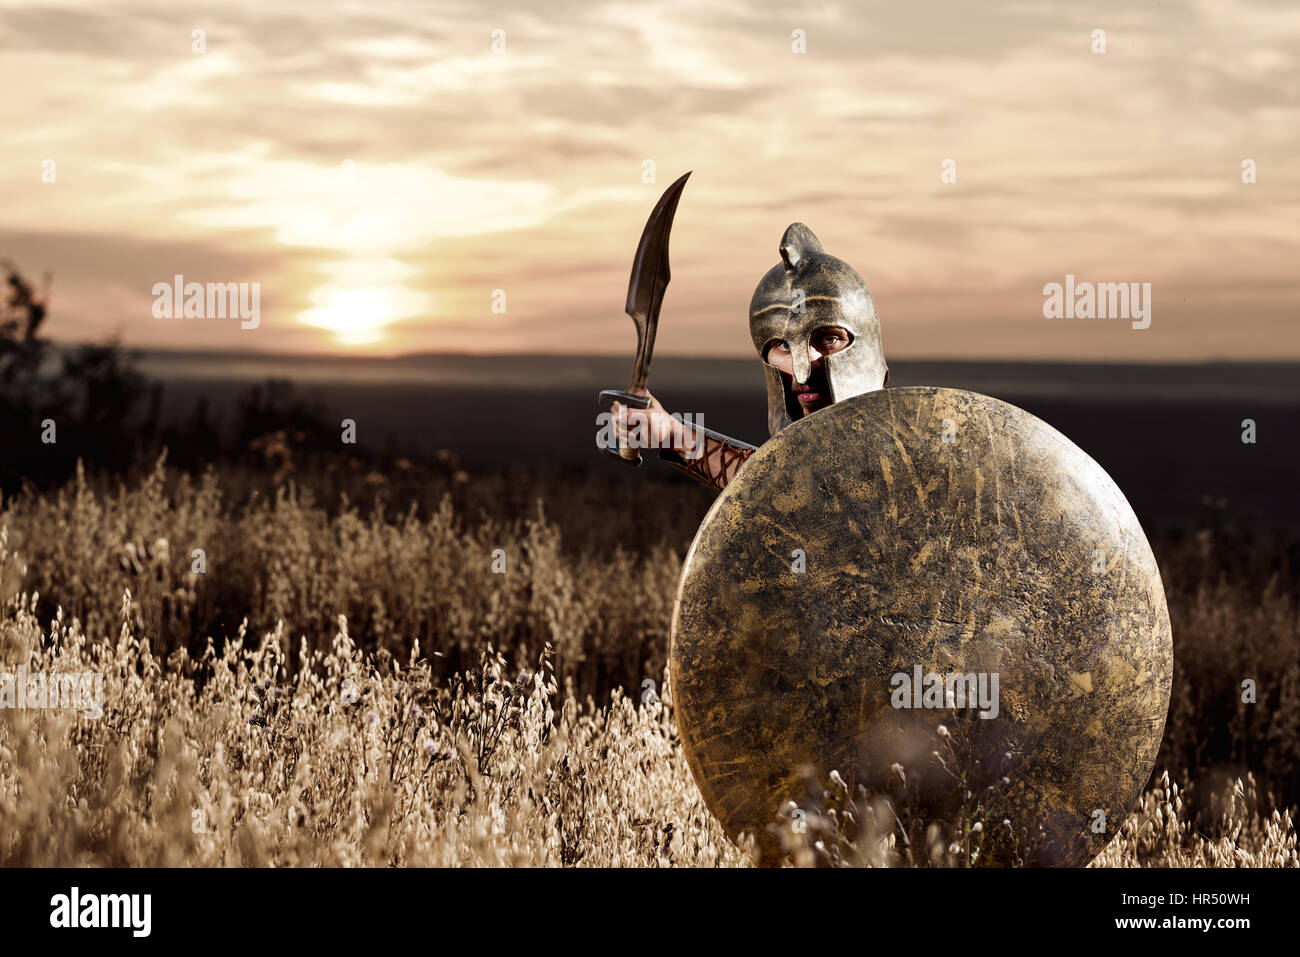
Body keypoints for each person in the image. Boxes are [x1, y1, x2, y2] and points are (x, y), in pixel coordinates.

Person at [608, 222, 889, 491]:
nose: (802, 371)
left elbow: (797, 499)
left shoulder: (919, 456)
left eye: (829, 339)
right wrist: (671, 434)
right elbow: (785, 492)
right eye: (784, 346)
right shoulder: (803, 474)